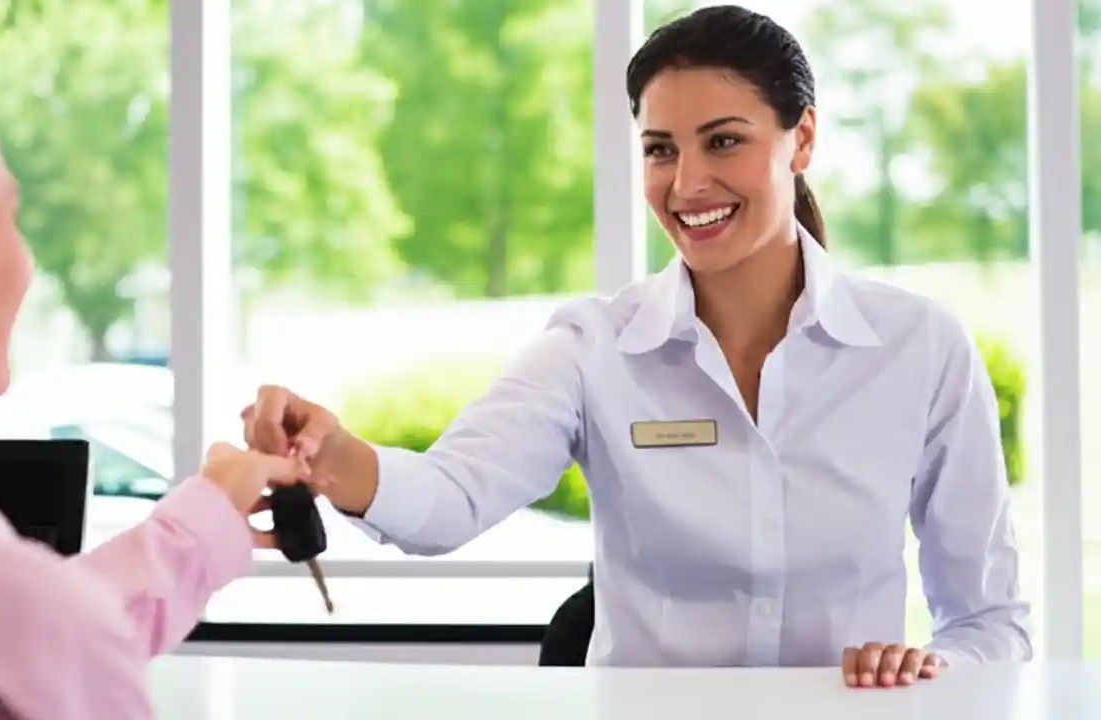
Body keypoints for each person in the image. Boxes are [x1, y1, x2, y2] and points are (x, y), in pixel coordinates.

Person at [244, 5, 1032, 687]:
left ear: (801, 141)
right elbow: (450, 498)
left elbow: (990, 622)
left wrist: (932, 672)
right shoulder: (595, 347)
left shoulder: (919, 346)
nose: (687, 183)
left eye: (723, 142)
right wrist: (335, 454)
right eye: (660, 149)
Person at [0, 58, 310, 719]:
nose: (27, 262)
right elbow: (27, 635)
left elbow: (16, 627)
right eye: (9, 216)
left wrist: (198, 527)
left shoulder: (18, 623)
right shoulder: (28, 628)